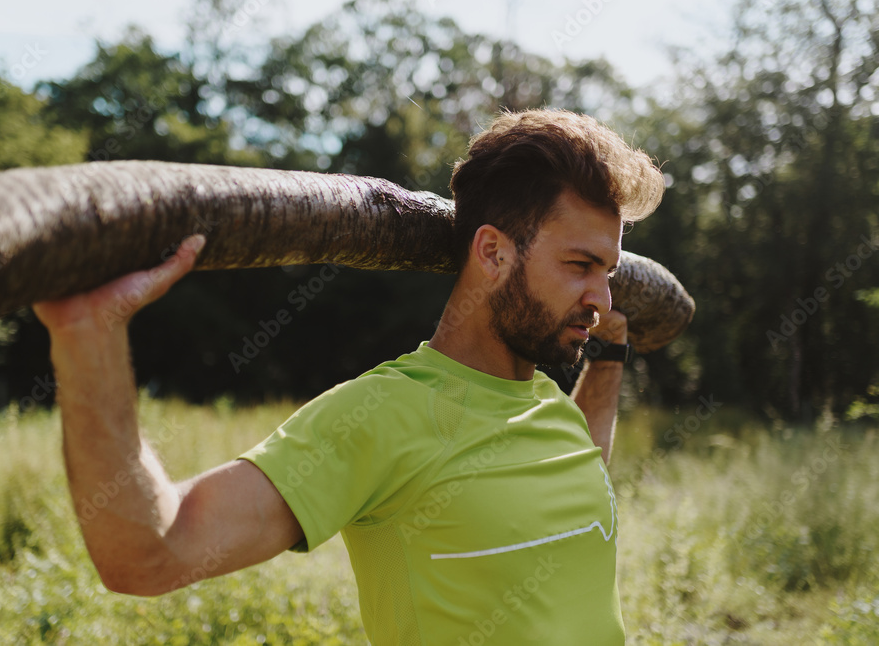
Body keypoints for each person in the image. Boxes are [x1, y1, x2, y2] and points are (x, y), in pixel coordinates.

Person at [33, 108, 664, 645]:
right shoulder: (386, 416)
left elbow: (582, 469)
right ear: (494, 252)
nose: (602, 299)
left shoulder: (548, 407)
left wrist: (608, 356)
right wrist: (89, 335)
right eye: (580, 265)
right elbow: (151, 554)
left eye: (608, 272)